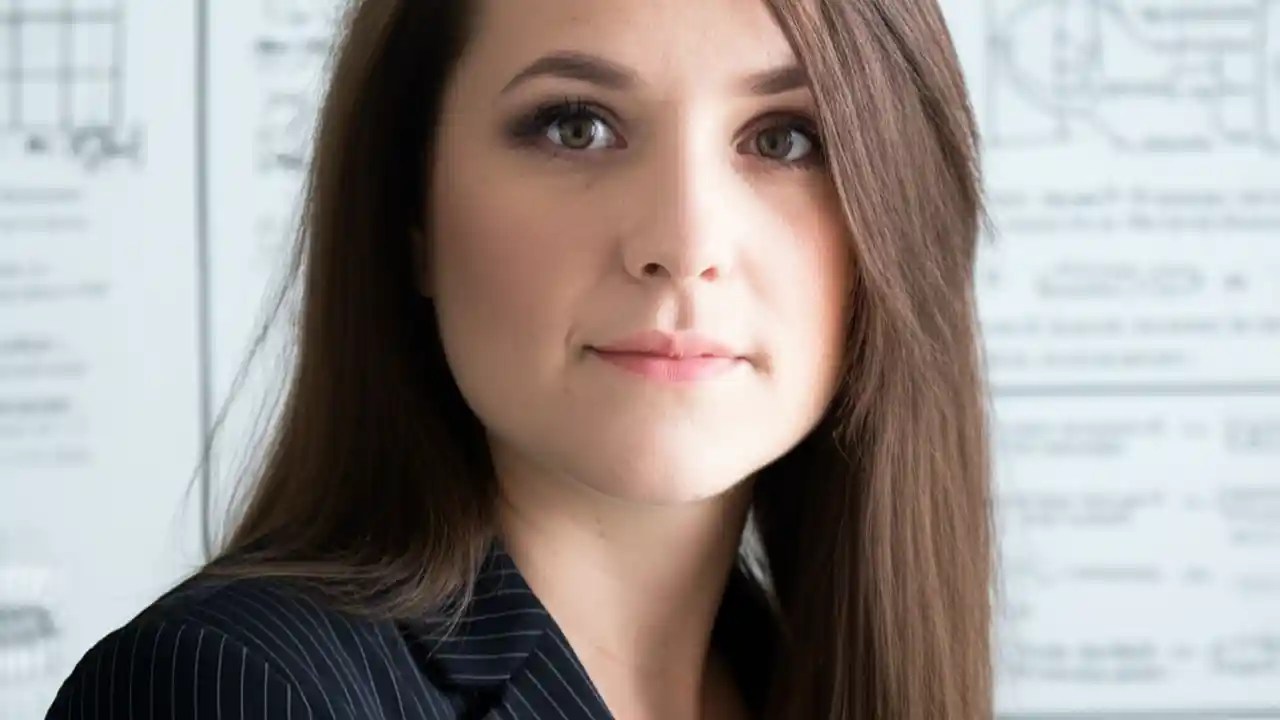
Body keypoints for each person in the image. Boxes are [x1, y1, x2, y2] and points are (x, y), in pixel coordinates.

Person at [46, 0, 996, 717]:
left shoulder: (815, 676)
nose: (683, 242)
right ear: (413, 215)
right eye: (575, 125)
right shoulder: (232, 690)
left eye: (786, 139)